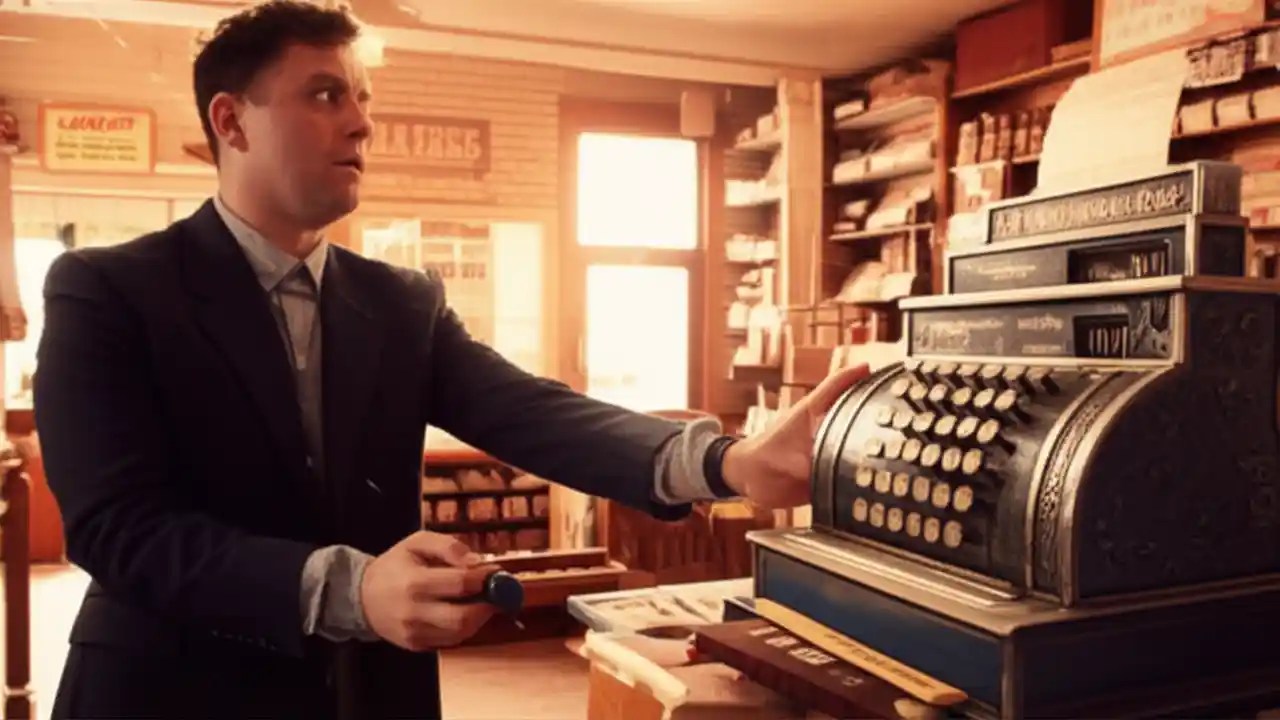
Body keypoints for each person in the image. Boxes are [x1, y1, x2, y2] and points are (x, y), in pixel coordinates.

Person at [33, 2, 870, 719]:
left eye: (361, 97)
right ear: (231, 120)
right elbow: (119, 529)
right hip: (172, 690)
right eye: (325, 95)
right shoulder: (108, 290)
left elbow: (532, 412)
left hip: (372, 693)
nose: (361, 122)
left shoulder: (398, 300)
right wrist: (351, 588)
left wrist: (730, 461)